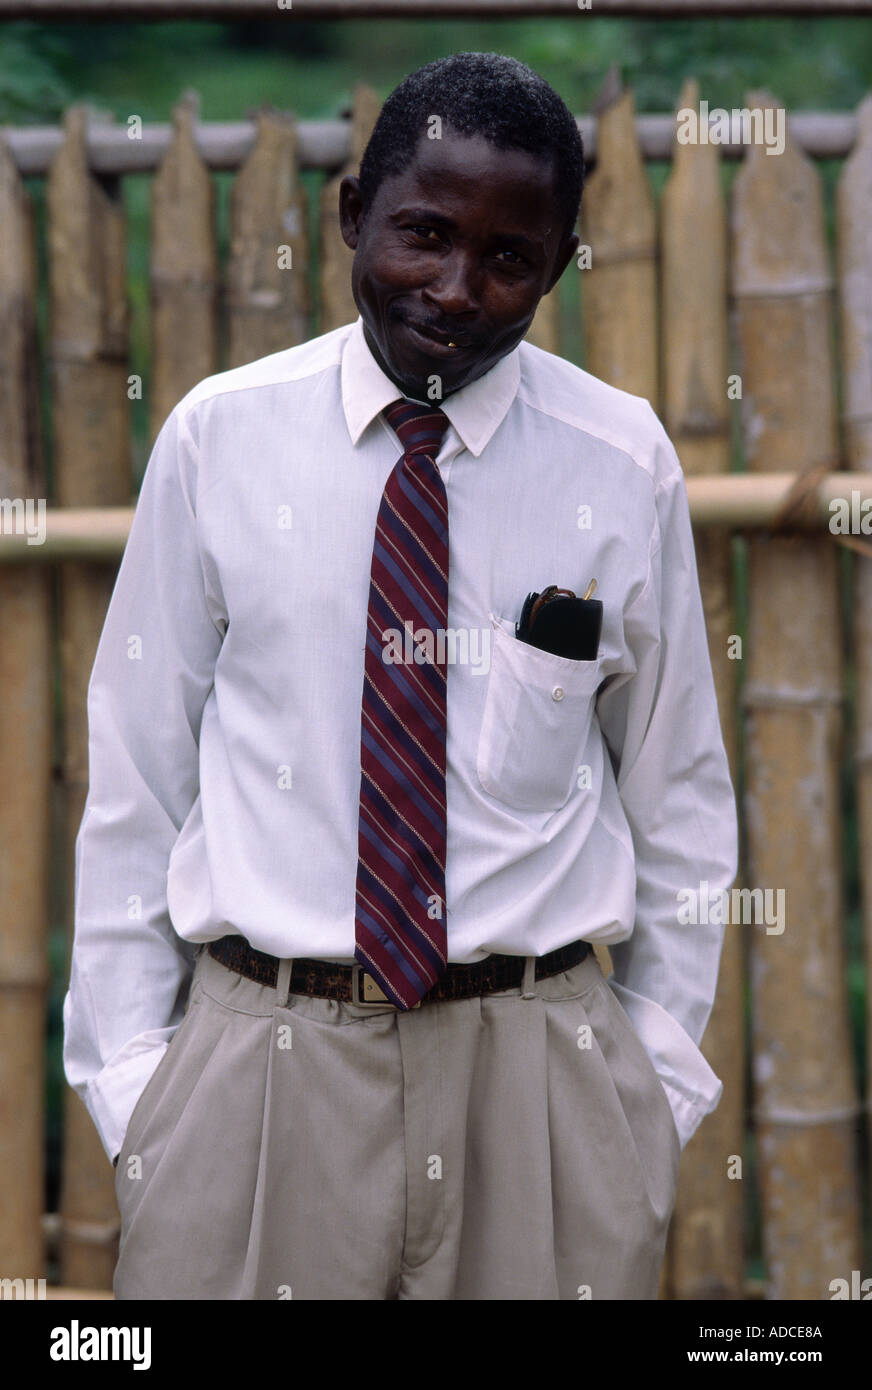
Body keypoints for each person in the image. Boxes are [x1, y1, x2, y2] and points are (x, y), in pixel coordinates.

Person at [64, 51, 738, 1301]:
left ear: (556, 264)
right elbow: (136, 781)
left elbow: (678, 796)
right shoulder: (219, 437)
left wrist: (647, 1090)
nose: (454, 287)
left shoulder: (617, 460)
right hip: (259, 1071)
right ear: (351, 218)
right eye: (422, 233)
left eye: (507, 257)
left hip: (538, 1077)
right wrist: (138, 1093)